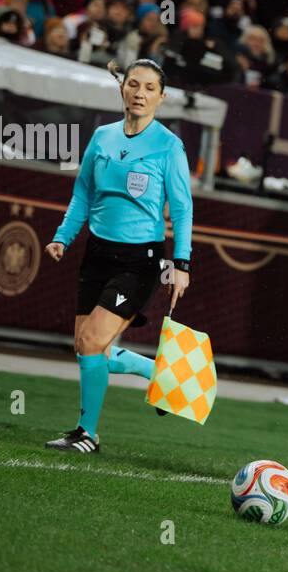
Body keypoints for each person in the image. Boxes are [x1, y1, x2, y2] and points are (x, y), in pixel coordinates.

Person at [42, 58, 194, 453]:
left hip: (139, 260)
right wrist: (63, 236)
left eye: (149, 88)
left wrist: (182, 264)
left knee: (92, 342)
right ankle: (162, 373)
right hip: (97, 253)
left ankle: (87, 433)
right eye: (134, 85)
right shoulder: (103, 137)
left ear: (162, 97)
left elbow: (181, 208)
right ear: (122, 88)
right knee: (87, 347)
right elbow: (83, 194)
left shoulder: (168, 146)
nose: (140, 93)